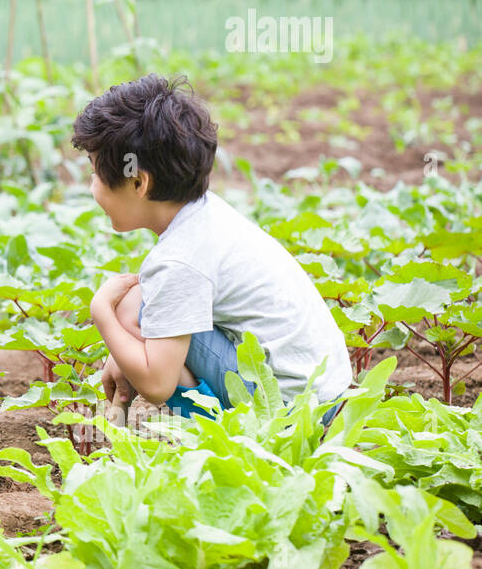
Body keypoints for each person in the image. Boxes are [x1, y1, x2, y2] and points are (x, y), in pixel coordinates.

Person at [71, 74, 352, 426]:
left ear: (138, 182)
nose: (92, 187)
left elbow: (156, 385)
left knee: (132, 308)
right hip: (322, 392)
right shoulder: (207, 215)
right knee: (146, 307)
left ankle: (221, 435)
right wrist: (126, 350)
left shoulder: (178, 260)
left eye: (96, 173)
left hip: (288, 411)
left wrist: (102, 312)